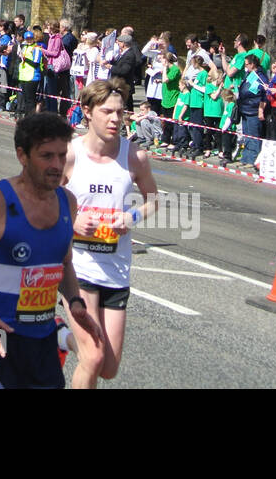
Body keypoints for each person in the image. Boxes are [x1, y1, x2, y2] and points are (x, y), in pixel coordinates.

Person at [0, 111, 102, 389]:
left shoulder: (68, 202)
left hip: (43, 343)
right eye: (47, 156)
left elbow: (64, 263)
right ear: (22, 156)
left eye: (62, 155)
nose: (57, 165)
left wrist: (76, 303)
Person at [62, 78, 158, 388]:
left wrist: (132, 217)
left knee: (109, 368)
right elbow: (44, 198)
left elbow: (154, 201)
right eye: (107, 112)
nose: (116, 119)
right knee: (92, 356)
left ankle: (57, 336)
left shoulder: (134, 157)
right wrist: (72, 221)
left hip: (116, 269)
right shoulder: (69, 155)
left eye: (120, 112)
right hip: (78, 268)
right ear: (87, 112)